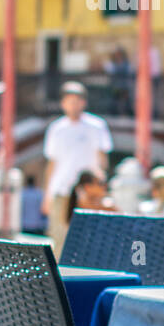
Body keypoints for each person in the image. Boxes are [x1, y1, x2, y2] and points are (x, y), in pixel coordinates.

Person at [41, 81, 113, 258]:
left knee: (88, 240)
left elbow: (102, 160)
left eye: (77, 100)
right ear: (63, 103)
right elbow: (52, 163)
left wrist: (100, 190)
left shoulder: (96, 126)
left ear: (83, 102)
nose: (73, 105)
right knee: (59, 239)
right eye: (69, 100)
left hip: (86, 193)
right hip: (62, 190)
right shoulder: (56, 129)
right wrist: (47, 195)